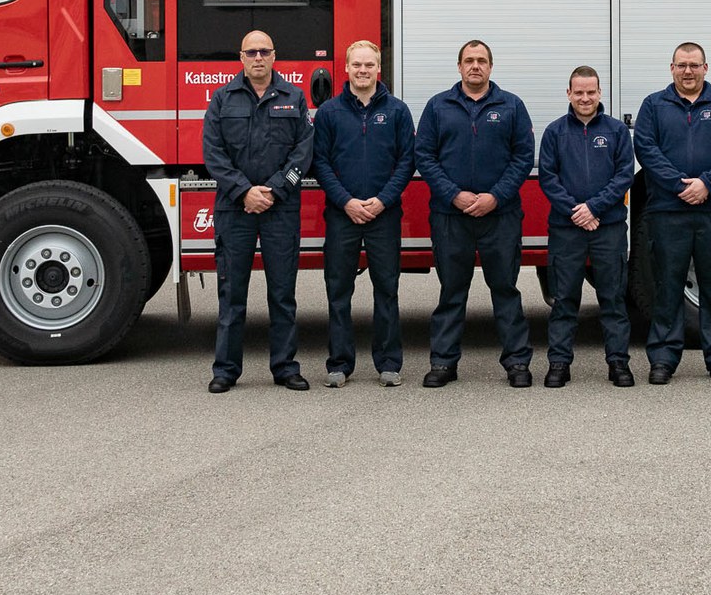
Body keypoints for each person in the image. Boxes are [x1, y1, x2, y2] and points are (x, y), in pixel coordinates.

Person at [413, 40, 535, 388]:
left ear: (491, 67)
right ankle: (443, 363)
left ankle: (517, 363)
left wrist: (495, 197)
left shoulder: (511, 106)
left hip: (501, 215)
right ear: (459, 67)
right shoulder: (439, 106)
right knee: (452, 291)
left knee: (505, 289)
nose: (475, 66)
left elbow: (523, 156)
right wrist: (455, 195)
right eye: (469, 61)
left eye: (482, 61)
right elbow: (425, 157)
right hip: (451, 216)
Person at [201, 30, 314, 393]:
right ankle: (226, 370)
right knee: (232, 293)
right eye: (251, 52)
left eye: (264, 51)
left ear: (274, 56)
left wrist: (275, 190)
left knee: (282, 293)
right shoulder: (222, 99)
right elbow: (213, 155)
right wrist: (245, 191)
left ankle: (285, 367)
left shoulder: (294, 97)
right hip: (236, 209)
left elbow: (303, 154)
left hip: (280, 209)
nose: (258, 57)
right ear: (241, 57)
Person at [633, 42, 711, 384]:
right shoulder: (654, 105)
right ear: (671, 68)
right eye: (682, 65)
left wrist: (707, 184)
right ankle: (664, 359)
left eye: (694, 65)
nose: (688, 71)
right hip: (668, 211)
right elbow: (646, 149)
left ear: (705, 68)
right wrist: (679, 185)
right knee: (667, 288)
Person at [312, 40, 415, 388]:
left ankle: (388, 362)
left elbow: (406, 161)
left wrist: (382, 200)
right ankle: (339, 364)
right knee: (338, 292)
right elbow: (320, 163)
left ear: (378, 68)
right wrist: (346, 202)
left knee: (386, 289)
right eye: (356, 65)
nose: (362, 70)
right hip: (343, 215)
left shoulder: (398, 111)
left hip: (384, 215)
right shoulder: (328, 112)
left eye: (369, 65)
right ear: (346, 68)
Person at [537, 66, 637, 388]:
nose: (584, 98)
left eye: (590, 92)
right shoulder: (554, 132)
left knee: (612, 298)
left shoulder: (617, 132)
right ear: (568, 93)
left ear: (599, 93)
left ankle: (618, 364)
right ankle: (559, 364)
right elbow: (548, 178)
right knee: (564, 300)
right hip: (566, 229)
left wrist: (593, 207)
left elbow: (624, 175)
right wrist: (575, 211)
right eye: (578, 92)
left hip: (607, 227)